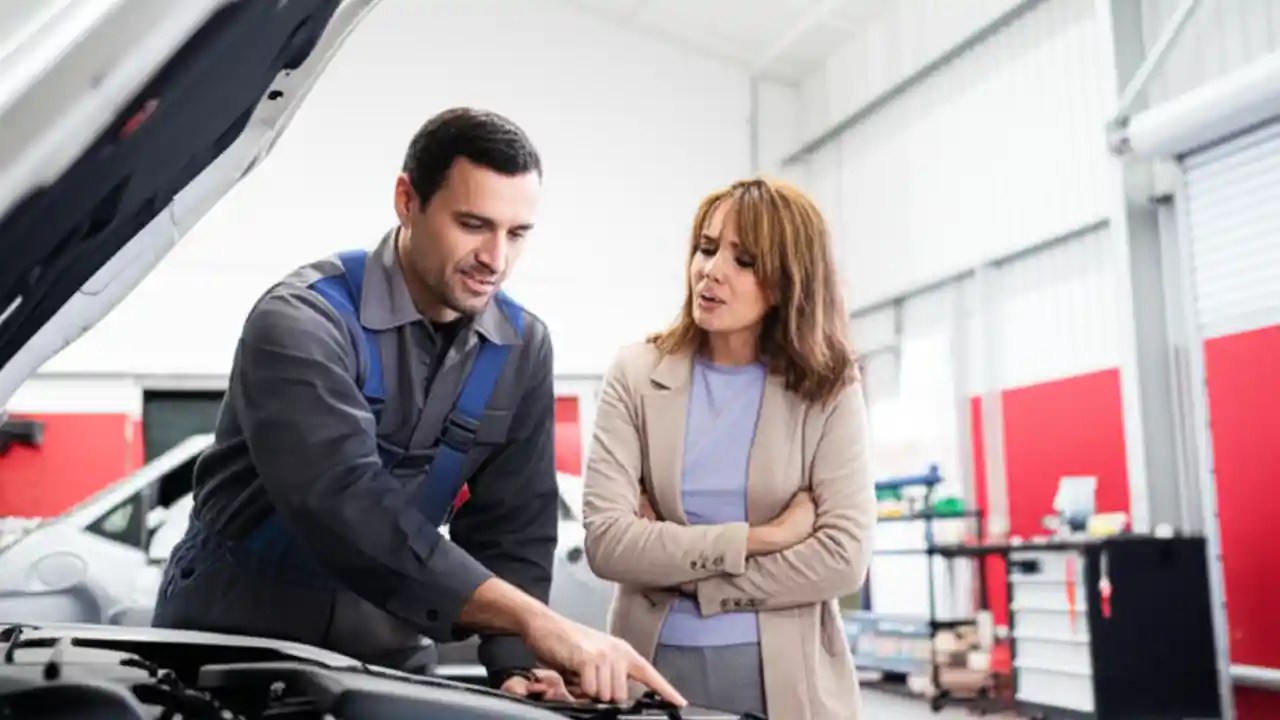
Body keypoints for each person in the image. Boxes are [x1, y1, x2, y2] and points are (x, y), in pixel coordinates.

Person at [152, 107, 684, 708]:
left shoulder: (521, 346)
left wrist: (514, 661)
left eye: (518, 233)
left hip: (383, 649)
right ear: (407, 200)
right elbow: (343, 502)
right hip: (230, 641)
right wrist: (540, 623)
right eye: (473, 224)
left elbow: (512, 524)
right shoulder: (302, 321)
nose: (496, 258)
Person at [581, 177, 876, 719]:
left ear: (787, 282)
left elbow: (842, 558)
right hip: (652, 667)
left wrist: (694, 578)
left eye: (744, 261)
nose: (711, 271)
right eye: (707, 247)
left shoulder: (828, 387)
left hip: (787, 679)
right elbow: (609, 543)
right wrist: (764, 538)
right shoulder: (636, 375)